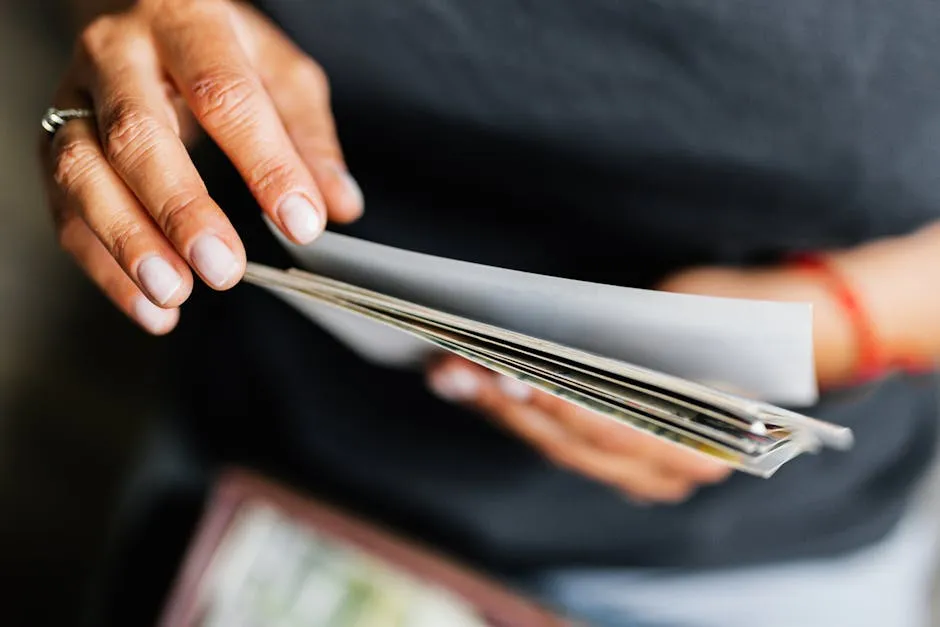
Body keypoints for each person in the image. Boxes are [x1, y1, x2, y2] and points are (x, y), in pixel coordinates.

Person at [41, 1, 940, 625]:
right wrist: (130, 60)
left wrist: (841, 321)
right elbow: (122, 28)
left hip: (737, 571)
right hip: (264, 465)